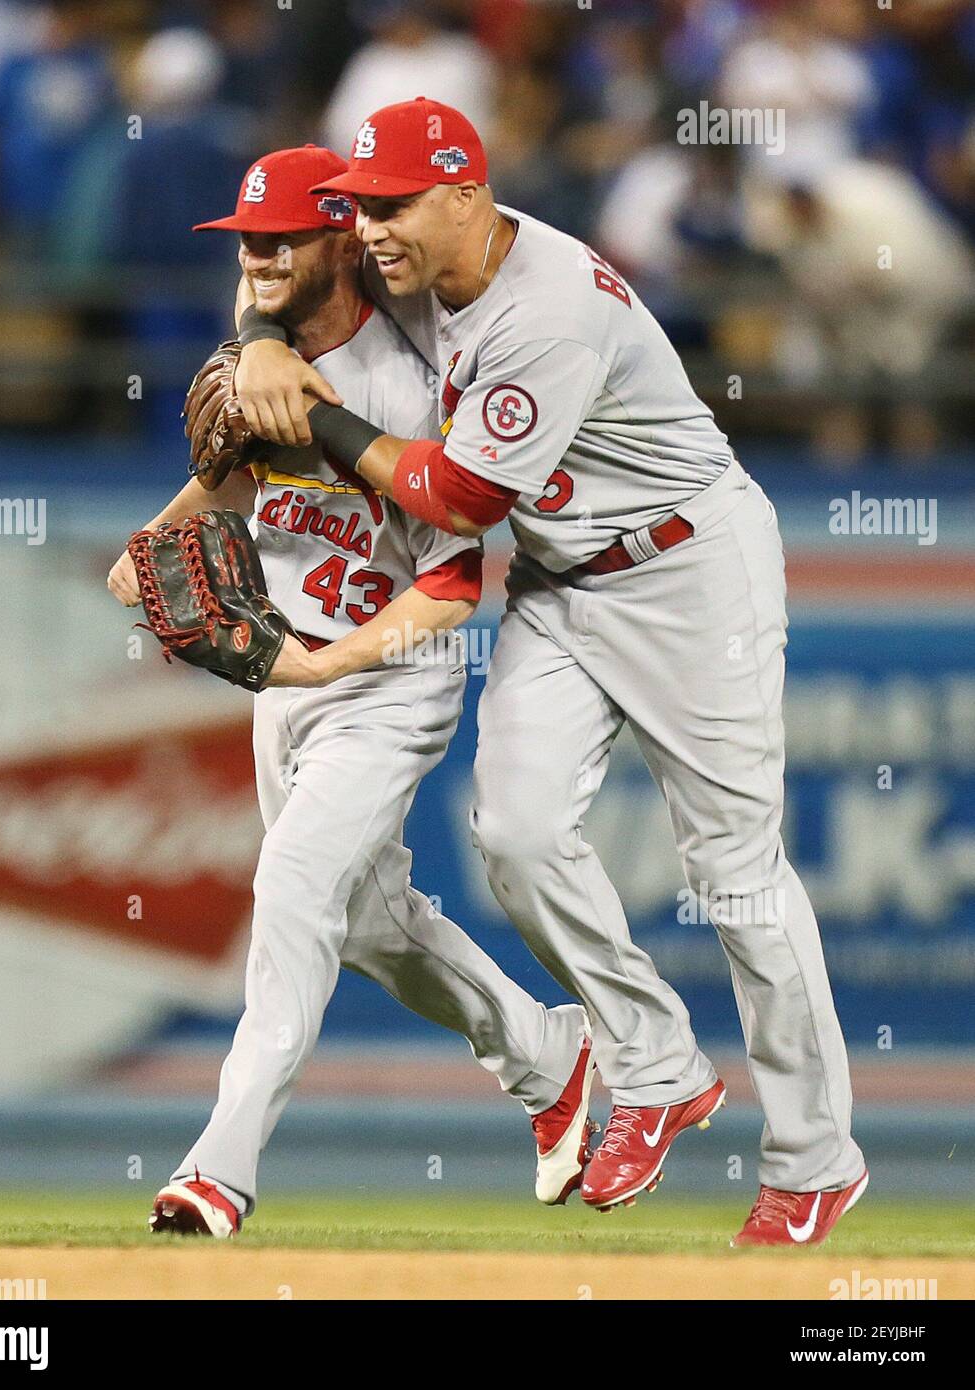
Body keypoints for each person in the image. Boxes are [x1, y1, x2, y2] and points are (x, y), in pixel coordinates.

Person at [226, 100, 868, 1247]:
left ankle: (814, 1155)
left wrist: (313, 412)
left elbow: (456, 502)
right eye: (362, 207)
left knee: (734, 872)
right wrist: (264, 343)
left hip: (689, 571)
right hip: (567, 581)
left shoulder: (547, 311)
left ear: (468, 192)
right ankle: (657, 1065)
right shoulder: (416, 261)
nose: (371, 229)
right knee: (515, 836)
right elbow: (285, 292)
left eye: (396, 204)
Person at [107, 145, 592, 1237]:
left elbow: (455, 581)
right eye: (248, 242)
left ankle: (217, 1169)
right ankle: (544, 1051)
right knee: (375, 926)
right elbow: (209, 500)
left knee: (289, 899)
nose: (260, 256)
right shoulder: (257, 365)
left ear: (342, 239)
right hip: (290, 683)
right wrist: (155, 543)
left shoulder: (411, 381)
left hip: (388, 678)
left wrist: (333, 663)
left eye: (283, 236)